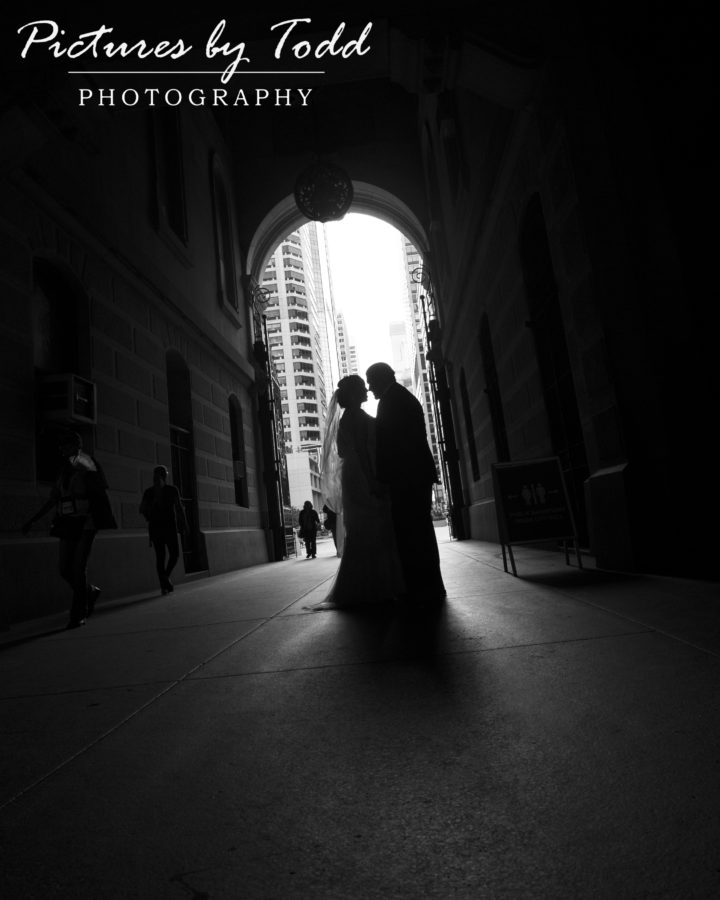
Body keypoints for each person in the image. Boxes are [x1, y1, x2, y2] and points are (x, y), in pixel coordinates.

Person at [309, 374, 404, 610]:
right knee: (373, 529)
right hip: (362, 475)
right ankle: (375, 587)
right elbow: (362, 451)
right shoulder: (357, 417)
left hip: (353, 476)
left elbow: (343, 452)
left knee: (362, 530)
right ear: (353, 393)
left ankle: (362, 586)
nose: (366, 389)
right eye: (362, 386)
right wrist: (372, 481)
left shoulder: (346, 418)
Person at [366, 362, 446, 609]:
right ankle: (429, 586)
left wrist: (382, 478)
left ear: (383, 378)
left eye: (371, 381)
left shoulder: (391, 402)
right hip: (414, 476)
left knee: (411, 534)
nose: (369, 388)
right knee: (419, 531)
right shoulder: (401, 398)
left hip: (406, 478)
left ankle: (420, 588)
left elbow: (389, 446)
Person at [21, 430, 117, 628]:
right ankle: (89, 592)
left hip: (86, 521)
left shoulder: (88, 464)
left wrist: (98, 519)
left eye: (65, 445)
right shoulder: (64, 469)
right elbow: (54, 498)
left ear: (76, 445)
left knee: (78, 567)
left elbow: (100, 494)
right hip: (67, 522)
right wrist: (33, 520)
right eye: (61, 446)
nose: (62, 449)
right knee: (64, 568)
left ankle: (78, 613)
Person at [139, 465, 188, 594]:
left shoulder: (149, 492)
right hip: (169, 527)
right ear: (165, 476)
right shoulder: (172, 490)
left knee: (161, 557)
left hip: (155, 528)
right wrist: (184, 524)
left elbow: (142, 510)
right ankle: (165, 580)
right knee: (174, 554)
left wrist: (149, 516)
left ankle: (164, 581)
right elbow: (179, 508)